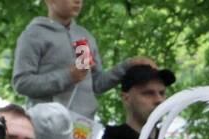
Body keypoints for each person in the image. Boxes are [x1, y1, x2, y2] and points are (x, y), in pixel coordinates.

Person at [12, 0, 152, 121]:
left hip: (82, 131)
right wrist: (67, 77)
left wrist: (127, 66)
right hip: (46, 128)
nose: (78, 1)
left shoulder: (83, 38)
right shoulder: (34, 35)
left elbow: (96, 83)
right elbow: (22, 83)